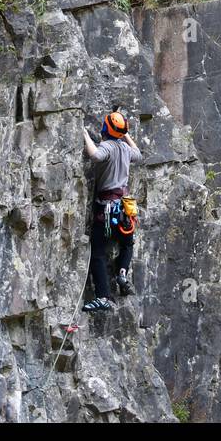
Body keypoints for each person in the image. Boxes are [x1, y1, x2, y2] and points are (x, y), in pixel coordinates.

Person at [81, 109, 142, 313]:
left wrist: (85, 136)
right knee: (127, 243)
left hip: (106, 208)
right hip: (124, 207)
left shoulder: (107, 146)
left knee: (97, 253)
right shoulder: (125, 149)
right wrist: (125, 134)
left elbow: (95, 155)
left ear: (106, 128)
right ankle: (122, 272)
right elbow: (139, 154)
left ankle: (103, 297)